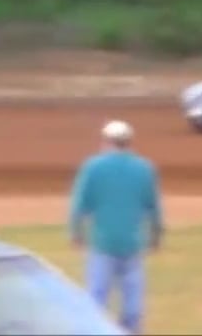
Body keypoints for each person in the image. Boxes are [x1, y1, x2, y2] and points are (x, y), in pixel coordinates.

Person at [68, 120, 163, 335]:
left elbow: (79, 205)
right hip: (132, 245)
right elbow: (154, 207)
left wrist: (76, 233)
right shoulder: (144, 168)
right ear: (129, 142)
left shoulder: (93, 167)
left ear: (106, 141)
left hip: (102, 243)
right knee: (132, 306)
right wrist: (156, 236)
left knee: (96, 300)